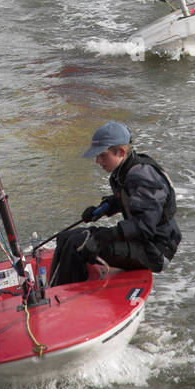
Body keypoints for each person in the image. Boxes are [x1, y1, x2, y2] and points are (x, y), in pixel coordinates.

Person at [48, 122, 181, 287]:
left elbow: (145, 226)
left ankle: (65, 298)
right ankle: (53, 289)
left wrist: (106, 236)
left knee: (78, 244)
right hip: (141, 242)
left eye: (103, 155)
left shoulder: (141, 176)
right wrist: (101, 209)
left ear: (121, 152)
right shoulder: (122, 171)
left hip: (154, 251)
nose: (98, 161)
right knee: (65, 237)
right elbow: (127, 200)